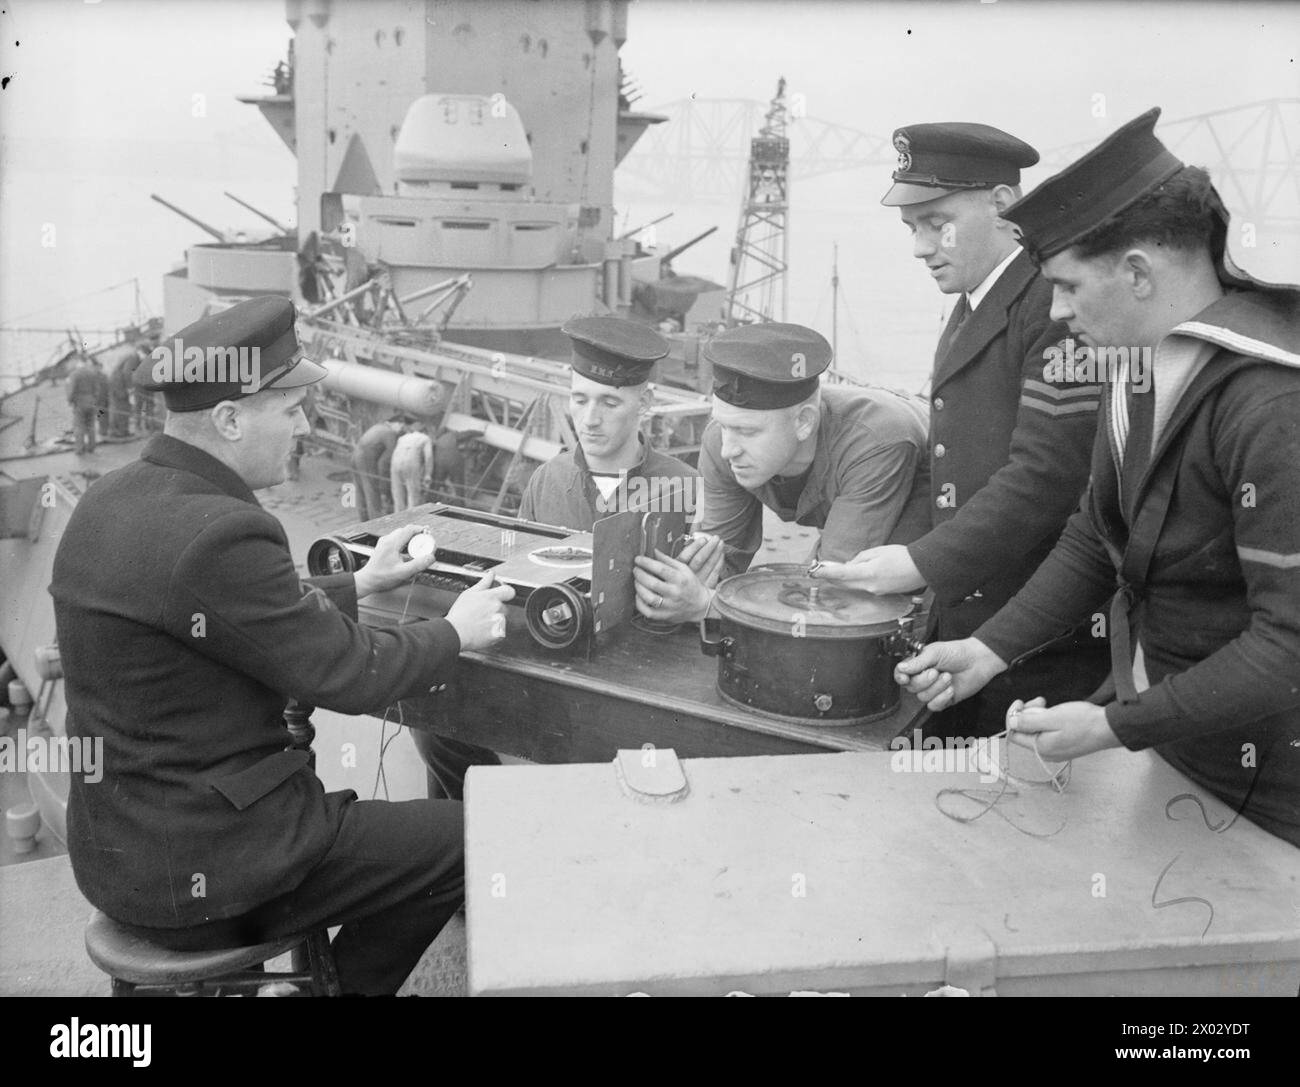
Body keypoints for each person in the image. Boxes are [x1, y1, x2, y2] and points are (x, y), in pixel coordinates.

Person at [50, 296, 515, 994]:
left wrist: (360, 581)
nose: (304, 424)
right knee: (467, 837)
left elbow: (225, 615)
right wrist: (459, 629)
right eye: (290, 406)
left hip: (122, 855)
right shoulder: (223, 529)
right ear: (231, 418)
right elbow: (351, 674)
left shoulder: (109, 498)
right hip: (218, 870)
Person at [893, 108, 1300, 847]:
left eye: (1070, 287)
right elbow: (1093, 536)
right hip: (1185, 757)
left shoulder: (1271, 404)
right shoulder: (1138, 364)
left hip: (1275, 793)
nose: (1056, 311)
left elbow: (1289, 646)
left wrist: (1115, 724)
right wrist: (988, 650)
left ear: (1139, 271)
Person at [815, 122, 1110, 738]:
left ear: (1003, 204)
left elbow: (1048, 475)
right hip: (971, 623)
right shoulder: (979, 301)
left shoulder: (1050, 308)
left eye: (937, 222)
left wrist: (921, 561)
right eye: (912, 228)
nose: (921, 247)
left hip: (1035, 637)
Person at [415, 315, 709, 801]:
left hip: (637, 693)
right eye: (579, 400)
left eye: (610, 402)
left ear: (647, 403)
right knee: (435, 725)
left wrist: (696, 601)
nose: (589, 419)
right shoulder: (547, 481)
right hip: (549, 672)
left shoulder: (681, 487)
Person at [633, 322, 931, 625]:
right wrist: (682, 587)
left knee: (887, 620)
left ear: (803, 422)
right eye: (724, 425)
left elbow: (829, 593)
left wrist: (707, 606)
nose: (728, 449)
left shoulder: (875, 442)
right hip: (853, 492)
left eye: (747, 431)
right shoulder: (722, 442)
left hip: (931, 494)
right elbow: (719, 563)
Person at [351, 415, 405, 520]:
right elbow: (391, 456)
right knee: (371, 490)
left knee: (360, 489)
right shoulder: (389, 432)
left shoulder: (379, 427)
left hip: (355, 455)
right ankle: (375, 522)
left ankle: (364, 518)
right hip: (365, 459)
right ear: (396, 423)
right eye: (401, 427)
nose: (400, 430)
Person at [390, 420, 434, 512]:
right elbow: (428, 456)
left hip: (395, 462)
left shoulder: (402, 438)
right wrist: (427, 474)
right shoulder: (425, 438)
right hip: (411, 462)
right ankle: (411, 518)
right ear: (424, 431)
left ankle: (397, 519)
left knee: (398, 494)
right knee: (413, 493)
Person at [66, 354, 99, 454]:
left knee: (79, 426)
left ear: (78, 362)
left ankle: (80, 449)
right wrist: (94, 400)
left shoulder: (74, 374)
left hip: (80, 403)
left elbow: (71, 391)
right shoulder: (92, 373)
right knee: (91, 426)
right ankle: (91, 447)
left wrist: (70, 401)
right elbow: (97, 389)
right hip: (91, 402)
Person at [91, 359, 111, 440]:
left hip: (105, 399)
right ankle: (102, 432)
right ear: (94, 367)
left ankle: (105, 431)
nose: (98, 368)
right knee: (100, 416)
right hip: (98, 401)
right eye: (97, 367)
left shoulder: (104, 376)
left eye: (99, 367)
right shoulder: (92, 377)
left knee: (106, 415)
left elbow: (108, 387)